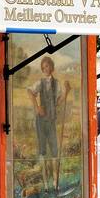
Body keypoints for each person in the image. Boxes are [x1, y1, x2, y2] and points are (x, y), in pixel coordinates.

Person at [28, 55, 71, 190]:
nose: (45, 69)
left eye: (47, 66)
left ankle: (55, 183)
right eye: (43, 67)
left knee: (54, 151)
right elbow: (30, 91)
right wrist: (37, 107)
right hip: (41, 121)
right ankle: (46, 184)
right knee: (42, 151)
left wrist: (66, 92)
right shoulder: (40, 82)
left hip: (51, 120)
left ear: (51, 67)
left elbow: (58, 102)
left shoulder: (56, 83)